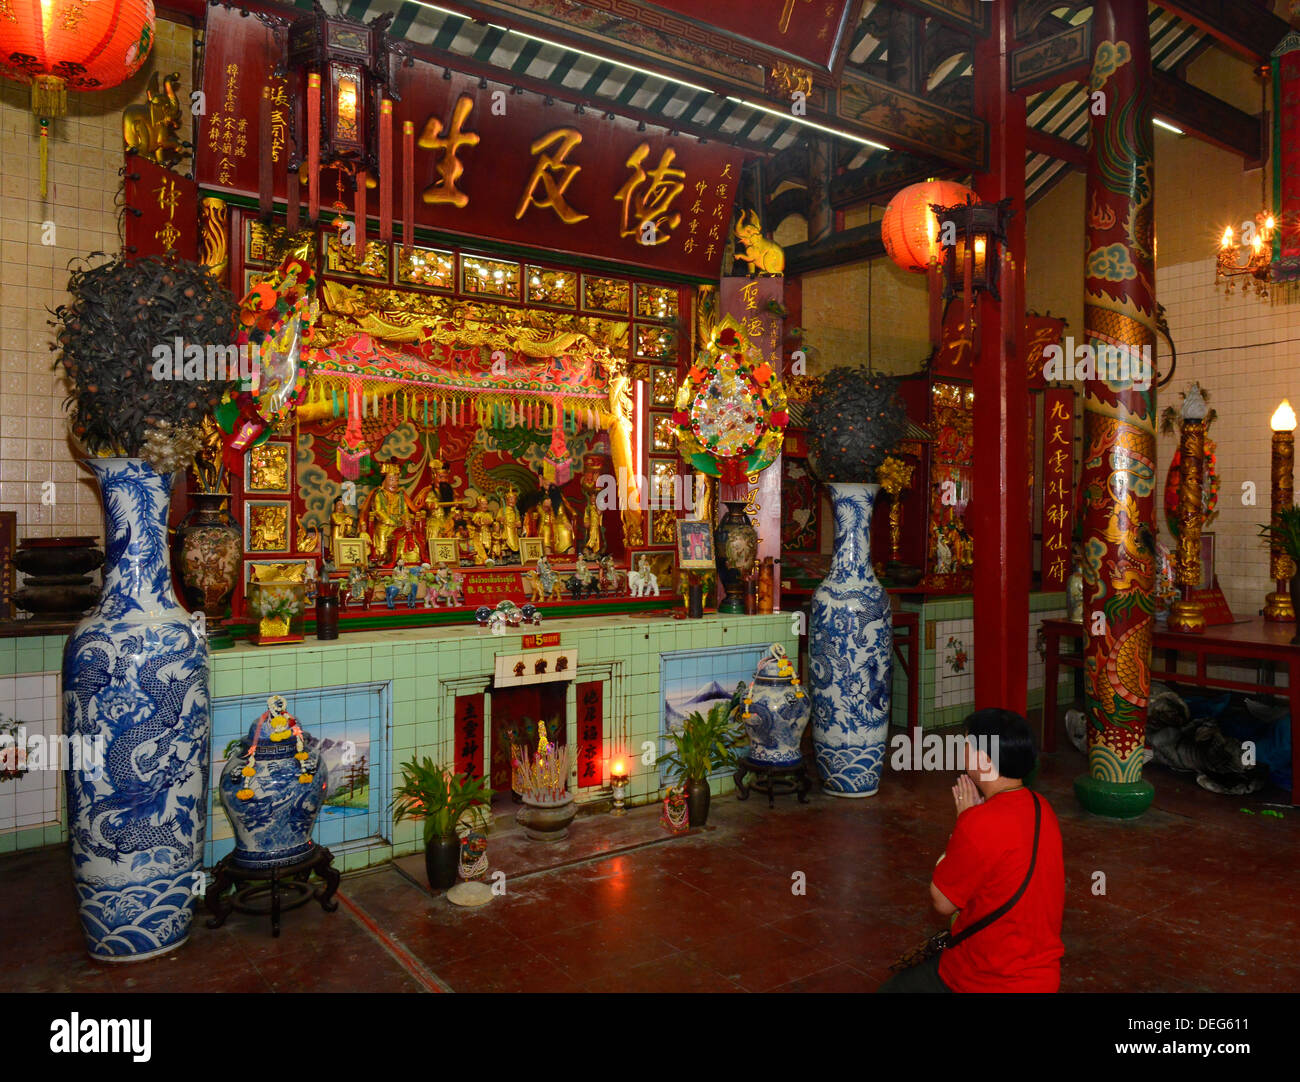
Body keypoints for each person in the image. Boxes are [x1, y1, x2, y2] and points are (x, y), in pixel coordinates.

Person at [879, 708, 1064, 993]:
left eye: (966, 743)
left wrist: (964, 823)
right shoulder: (1042, 807)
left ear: (984, 759)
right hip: (1042, 977)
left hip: (988, 979)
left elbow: (942, 903)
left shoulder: (978, 823)